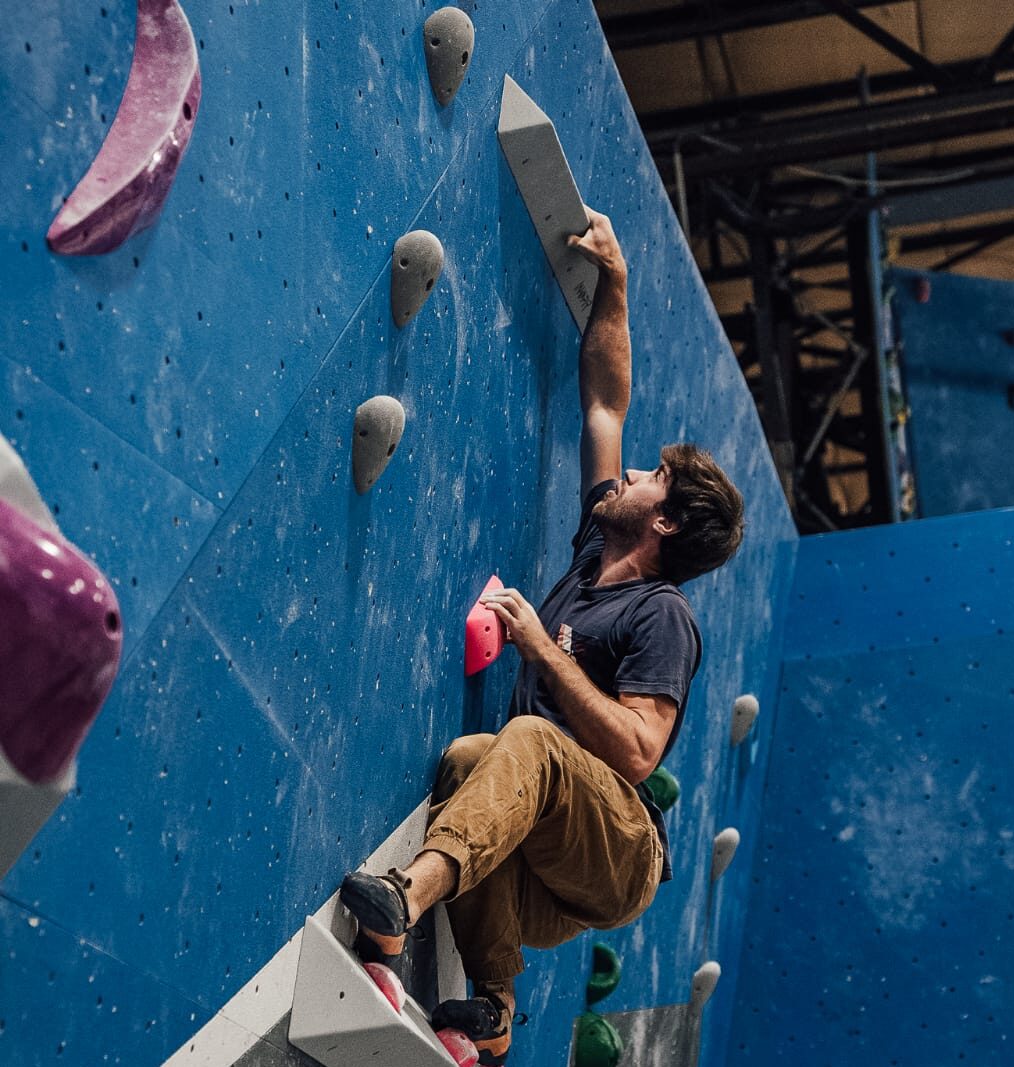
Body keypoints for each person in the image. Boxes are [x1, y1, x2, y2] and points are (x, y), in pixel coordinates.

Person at [339, 208, 745, 1065]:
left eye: (652, 475)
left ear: (666, 518)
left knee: (527, 738)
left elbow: (638, 748)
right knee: (465, 761)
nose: (631, 470)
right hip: (546, 865)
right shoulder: (601, 535)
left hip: (618, 851)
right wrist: (617, 287)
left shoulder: (663, 614)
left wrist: (542, 651)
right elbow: (605, 398)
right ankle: (492, 1011)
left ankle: (402, 903)